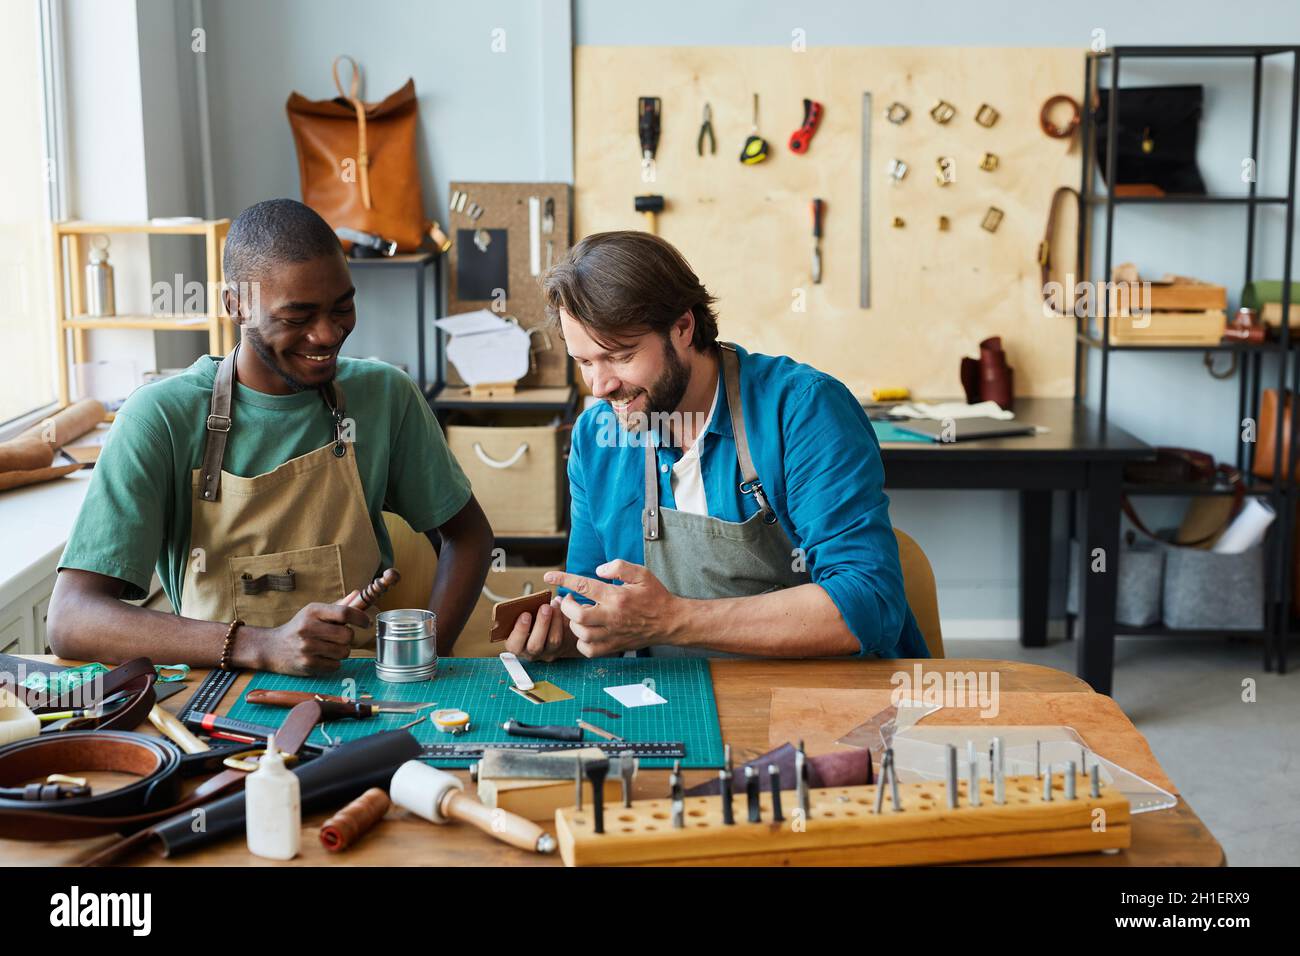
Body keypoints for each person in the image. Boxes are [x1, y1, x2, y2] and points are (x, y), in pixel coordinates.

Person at [48, 199, 494, 675]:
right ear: (235, 305)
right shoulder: (160, 419)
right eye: (297, 317)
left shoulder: (385, 398)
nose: (326, 334)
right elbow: (71, 619)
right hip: (218, 692)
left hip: (363, 690)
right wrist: (261, 646)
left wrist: (423, 662)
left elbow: (469, 537)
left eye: (342, 307)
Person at [504, 230, 928, 660]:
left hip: (825, 700)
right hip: (678, 702)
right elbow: (595, 604)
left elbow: (870, 600)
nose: (600, 386)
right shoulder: (597, 439)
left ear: (683, 327)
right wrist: (567, 634)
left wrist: (674, 620)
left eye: (621, 356)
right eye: (584, 362)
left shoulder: (803, 410)